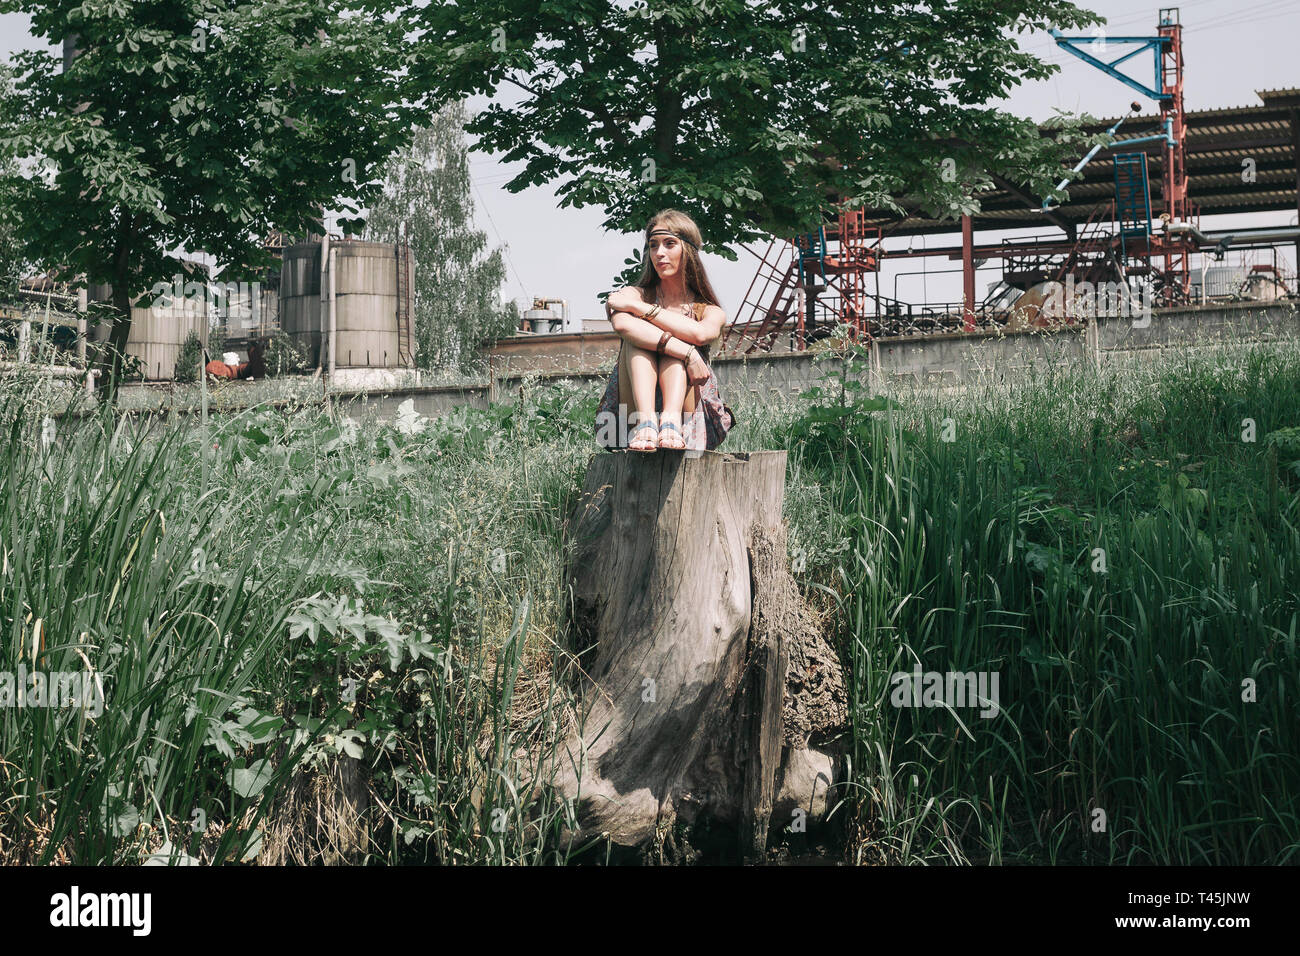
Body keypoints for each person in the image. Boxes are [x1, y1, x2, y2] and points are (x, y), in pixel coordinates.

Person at [602, 210, 726, 452]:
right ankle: (647, 424)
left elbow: (700, 334)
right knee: (639, 337)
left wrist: (640, 309)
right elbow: (623, 325)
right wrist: (687, 353)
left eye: (670, 244)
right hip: (630, 418)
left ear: (688, 250)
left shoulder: (710, 310)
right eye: (653, 245)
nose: (659, 253)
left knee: (672, 334)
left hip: (690, 420)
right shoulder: (632, 294)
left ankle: (669, 423)